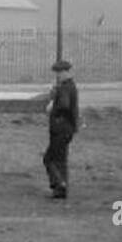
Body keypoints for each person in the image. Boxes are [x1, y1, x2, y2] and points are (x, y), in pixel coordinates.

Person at [43, 59, 79, 199]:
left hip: (60, 127)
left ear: (66, 72)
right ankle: (62, 188)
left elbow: (64, 105)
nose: (57, 75)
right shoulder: (71, 86)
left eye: (59, 72)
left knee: (49, 159)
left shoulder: (65, 88)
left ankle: (59, 184)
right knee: (61, 159)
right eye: (56, 73)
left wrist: (52, 107)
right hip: (68, 128)